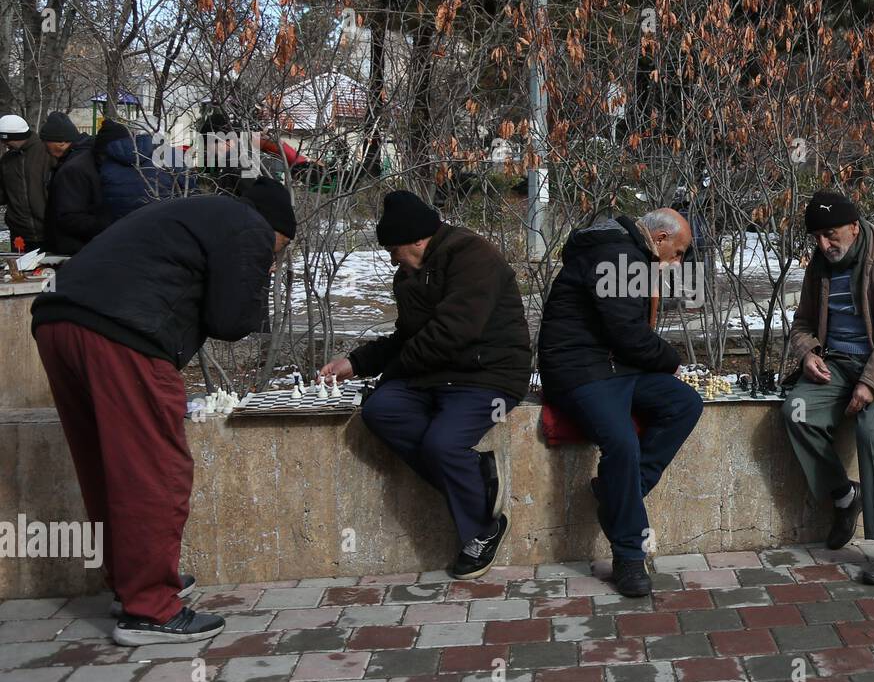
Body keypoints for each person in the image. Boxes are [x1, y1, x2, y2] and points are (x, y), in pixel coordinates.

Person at [30, 176, 296, 645]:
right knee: (156, 470)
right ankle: (151, 608)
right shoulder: (251, 228)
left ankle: (131, 583)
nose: (274, 260)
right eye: (278, 251)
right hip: (124, 336)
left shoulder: (195, 212)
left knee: (104, 466)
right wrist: (259, 278)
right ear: (276, 230)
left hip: (58, 322)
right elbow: (231, 321)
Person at [320, 191, 531, 580]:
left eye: (393, 249)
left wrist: (391, 373)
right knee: (381, 410)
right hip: (435, 375)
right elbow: (408, 336)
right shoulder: (410, 276)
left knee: (442, 443)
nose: (391, 258)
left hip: (489, 375)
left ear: (418, 239)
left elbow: (451, 334)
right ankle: (476, 476)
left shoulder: (473, 256)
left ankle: (482, 529)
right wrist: (357, 363)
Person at [537, 208, 704, 598]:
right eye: (677, 253)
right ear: (660, 239)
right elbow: (627, 332)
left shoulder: (631, 254)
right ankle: (629, 555)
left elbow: (626, 338)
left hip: (616, 368)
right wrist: (672, 361)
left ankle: (613, 494)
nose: (677, 263)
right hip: (580, 370)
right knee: (622, 443)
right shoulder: (618, 256)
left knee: (684, 404)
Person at [782, 190, 874, 585]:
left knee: (871, 432)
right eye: (816, 237)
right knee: (796, 411)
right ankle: (846, 496)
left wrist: (870, 384)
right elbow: (802, 323)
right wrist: (808, 353)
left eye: (831, 234)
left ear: (854, 225)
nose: (823, 244)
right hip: (837, 366)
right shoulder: (820, 265)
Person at [40, 111, 110, 255]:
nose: (45, 148)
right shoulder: (87, 157)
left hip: (74, 248)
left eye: (46, 142)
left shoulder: (73, 168)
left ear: (61, 142)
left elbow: (70, 216)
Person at [0, 113, 52, 250]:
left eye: (5, 140)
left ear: (16, 138)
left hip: (49, 232)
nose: (4, 144)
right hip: (19, 234)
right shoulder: (7, 160)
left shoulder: (47, 152)